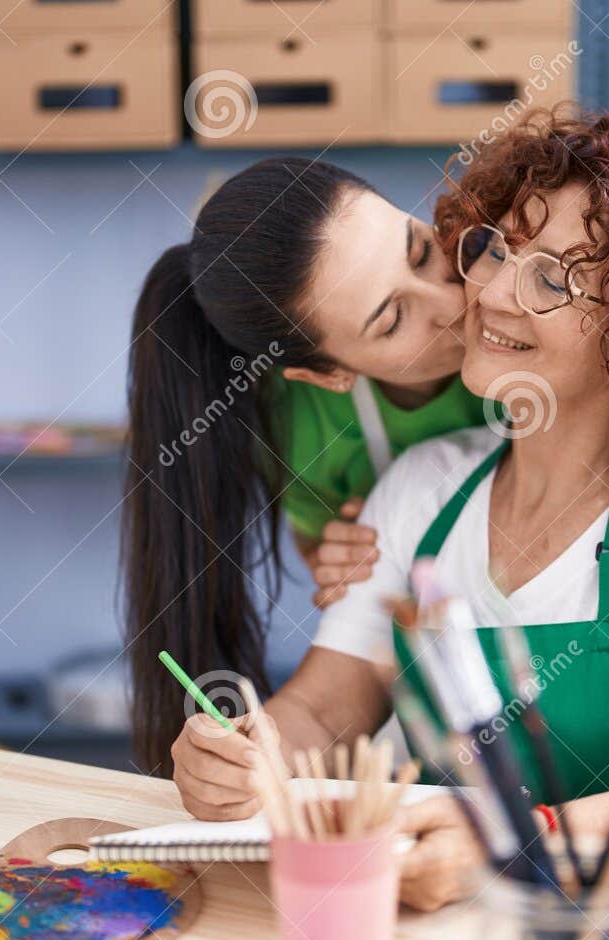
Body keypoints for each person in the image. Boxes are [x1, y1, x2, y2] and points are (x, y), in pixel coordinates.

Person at [168, 110, 609, 909]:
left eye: (551, 278)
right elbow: (332, 702)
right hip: (498, 933)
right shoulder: (419, 488)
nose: (489, 291)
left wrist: (511, 842)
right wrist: (253, 752)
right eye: (497, 249)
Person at [125, 158, 497, 775]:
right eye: (393, 319)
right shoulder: (301, 425)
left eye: (422, 250)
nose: (454, 302)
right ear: (325, 373)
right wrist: (336, 555)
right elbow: (322, 553)